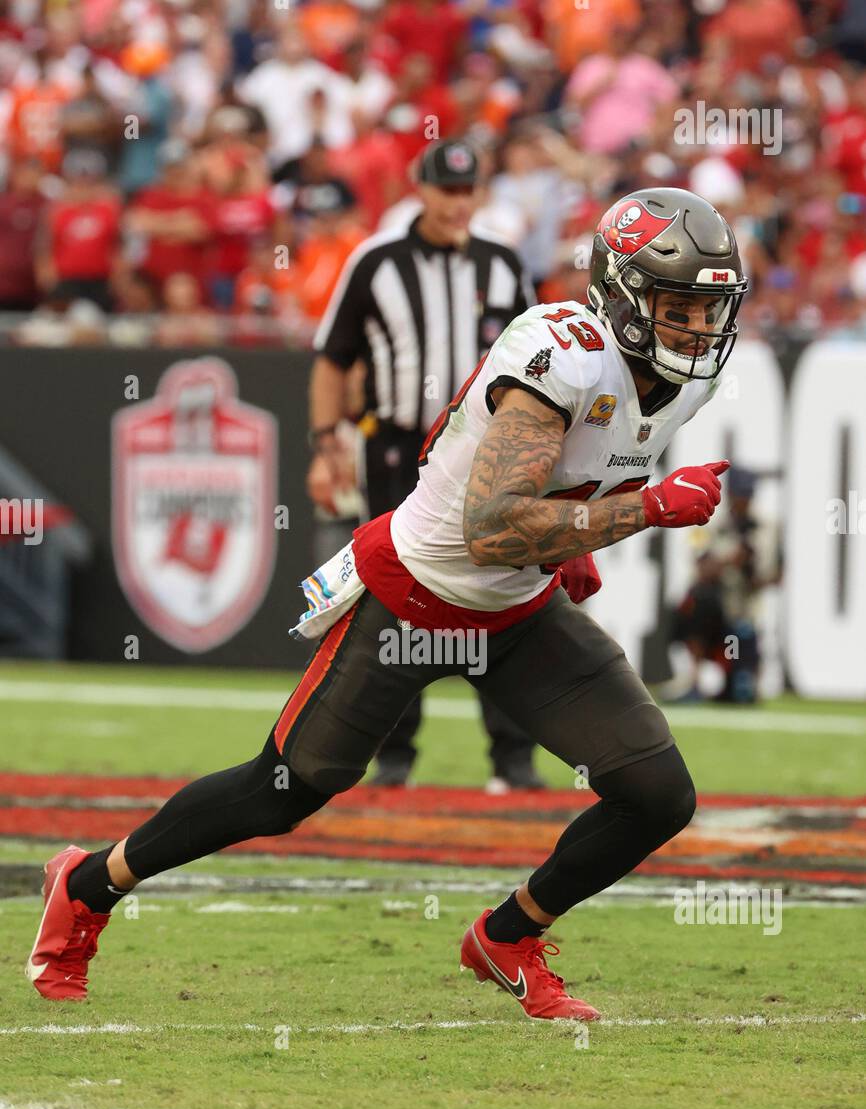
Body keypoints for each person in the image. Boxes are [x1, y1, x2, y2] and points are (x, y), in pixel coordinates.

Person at [25, 187, 747, 1022]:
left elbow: (568, 479)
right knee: (284, 789)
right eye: (679, 306)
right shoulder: (562, 354)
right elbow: (490, 526)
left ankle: (508, 935)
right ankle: (85, 885)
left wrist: (574, 542)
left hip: (515, 613)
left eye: (709, 308)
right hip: (416, 599)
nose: (698, 327)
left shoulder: (681, 379)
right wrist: (648, 509)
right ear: (620, 293)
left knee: (657, 793)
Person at [308, 137, 543, 790]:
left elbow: (540, 359)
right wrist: (327, 443)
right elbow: (333, 357)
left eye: (469, 190)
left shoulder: (503, 264)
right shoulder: (376, 262)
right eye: (448, 189)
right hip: (397, 450)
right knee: (396, 602)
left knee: (496, 597)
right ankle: (393, 758)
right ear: (422, 189)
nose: (459, 203)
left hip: (486, 457)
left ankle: (512, 758)